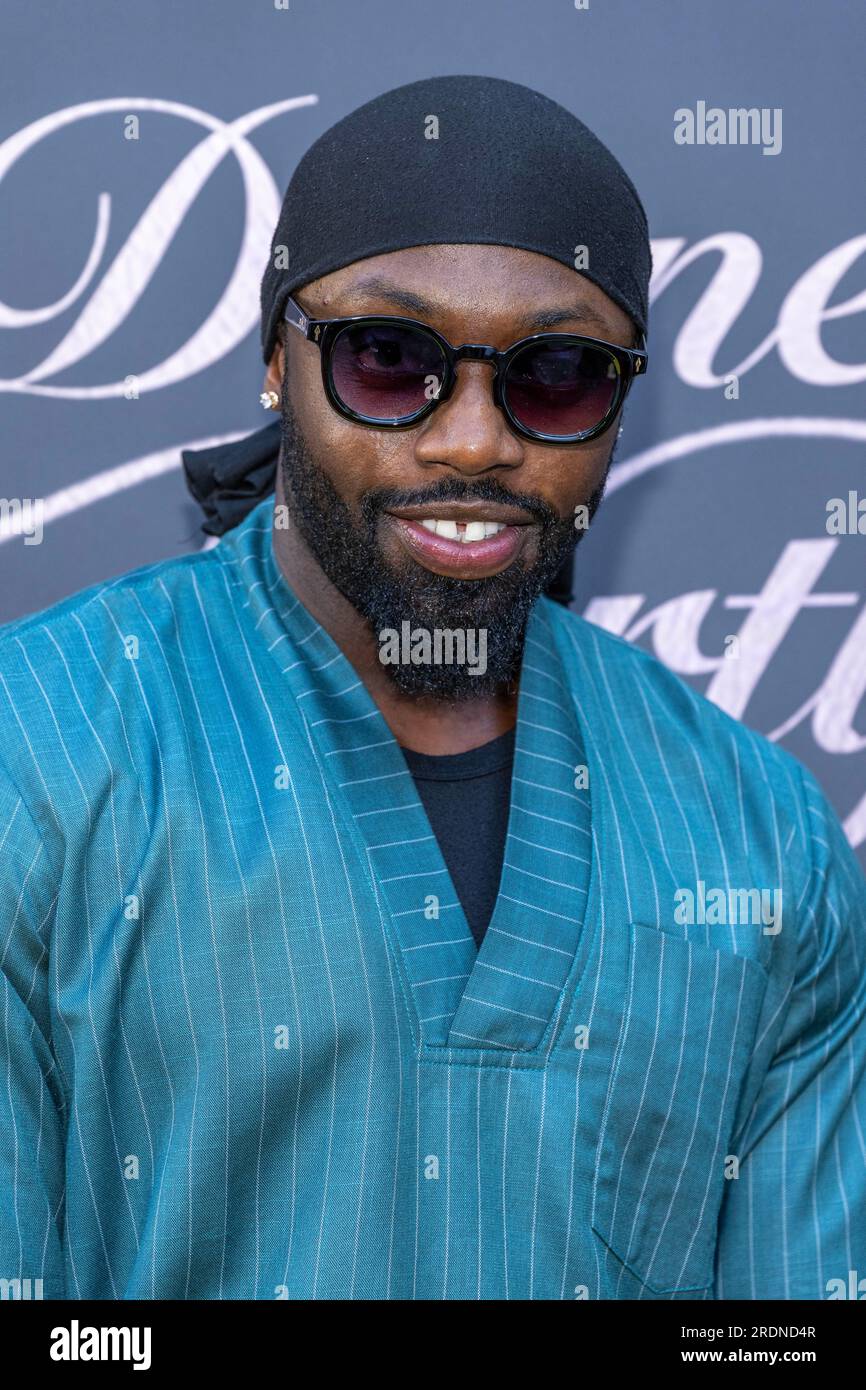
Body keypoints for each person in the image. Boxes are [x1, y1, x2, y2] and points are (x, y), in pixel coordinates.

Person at [0, 75, 863, 1302]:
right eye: (388, 359)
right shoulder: (35, 749)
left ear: (621, 406)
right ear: (273, 360)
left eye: (554, 372)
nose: (469, 440)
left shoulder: (758, 836)